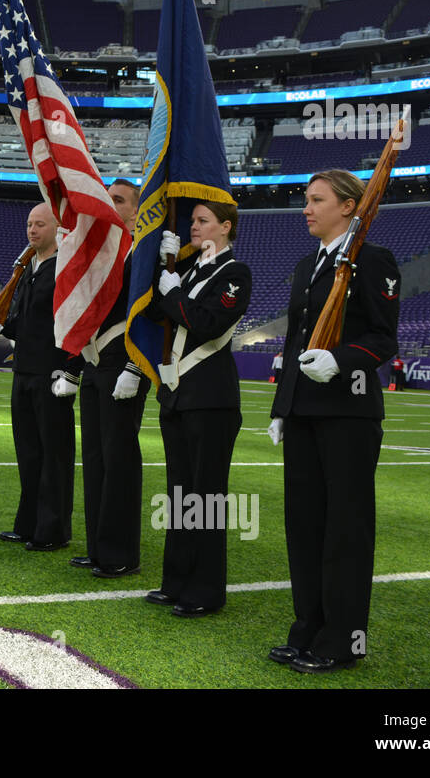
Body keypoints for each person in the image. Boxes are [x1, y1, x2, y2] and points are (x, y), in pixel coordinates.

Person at [268, 169, 399, 673]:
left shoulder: (373, 260)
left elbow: (383, 338)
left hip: (348, 414)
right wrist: (283, 407)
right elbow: (296, 341)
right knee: (305, 527)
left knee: (345, 530)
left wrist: (342, 361)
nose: (306, 208)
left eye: (316, 200)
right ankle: (307, 630)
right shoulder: (308, 266)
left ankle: (343, 641)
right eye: (306, 199)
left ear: (348, 206)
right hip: (304, 412)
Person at [145, 201, 250, 615]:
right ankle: (177, 580)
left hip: (211, 399)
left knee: (206, 498)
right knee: (180, 495)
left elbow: (207, 323)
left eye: (203, 220)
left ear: (225, 228)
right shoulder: (188, 271)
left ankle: (205, 590)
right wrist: (163, 270)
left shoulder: (236, 274)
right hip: (178, 395)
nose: (194, 226)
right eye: (192, 220)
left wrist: (173, 293)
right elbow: (157, 311)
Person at [0, 202, 82, 552]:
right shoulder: (27, 268)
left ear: (57, 228)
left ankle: (53, 529)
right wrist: (3, 327)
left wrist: (70, 370)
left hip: (52, 371)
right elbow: (26, 320)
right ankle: (28, 524)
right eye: (29, 224)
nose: (32, 230)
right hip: (23, 368)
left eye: (40, 224)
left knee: (53, 453)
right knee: (28, 451)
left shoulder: (63, 268)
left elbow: (69, 321)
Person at [72, 180, 151, 579]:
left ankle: (121, 553)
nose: (108, 204)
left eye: (117, 200)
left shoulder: (142, 252)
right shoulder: (101, 252)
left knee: (119, 457)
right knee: (96, 458)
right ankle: (99, 547)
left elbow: (151, 317)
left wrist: (136, 369)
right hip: (95, 360)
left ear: (137, 212)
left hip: (124, 359)